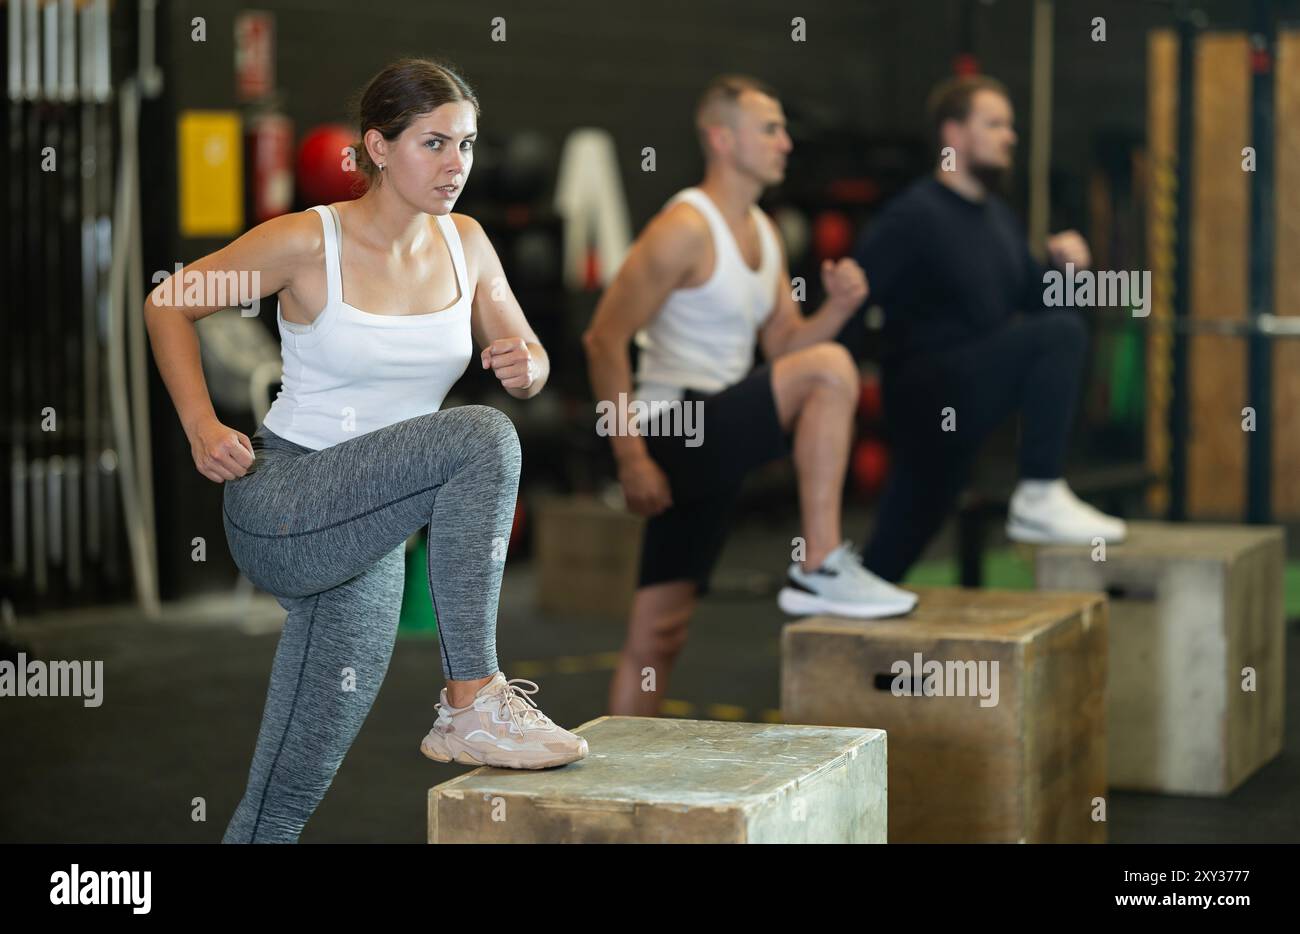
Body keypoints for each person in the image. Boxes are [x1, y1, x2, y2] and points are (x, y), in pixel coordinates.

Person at [144, 58, 586, 844]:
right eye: (434, 143)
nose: (458, 166)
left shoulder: (469, 244)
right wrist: (202, 426)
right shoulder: (308, 240)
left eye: (469, 145)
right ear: (378, 149)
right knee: (481, 436)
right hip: (284, 499)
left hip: (373, 526)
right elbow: (167, 303)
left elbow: (528, 351)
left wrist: (530, 364)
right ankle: (471, 701)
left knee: (289, 790)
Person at [583, 75, 918, 718]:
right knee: (833, 368)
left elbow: (787, 347)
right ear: (720, 137)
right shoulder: (683, 227)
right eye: (769, 128)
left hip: (723, 425)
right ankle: (819, 563)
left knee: (659, 632)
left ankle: (618, 778)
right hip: (672, 426)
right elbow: (603, 338)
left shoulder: (766, 232)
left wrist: (841, 307)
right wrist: (630, 459)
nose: (786, 142)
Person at [837, 74, 1128, 585]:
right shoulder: (913, 216)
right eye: (994, 124)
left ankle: (840, 618)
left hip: (973, 390)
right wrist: (828, 401)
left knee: (896, 547)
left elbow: (1039, 300)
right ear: (953, 135)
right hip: (927, 393)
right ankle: (1039, 491)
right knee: (1059, 335)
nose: (1009, 136)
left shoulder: (998, 219)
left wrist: (1072, 272)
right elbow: (851, 304)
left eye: (1010, 126)